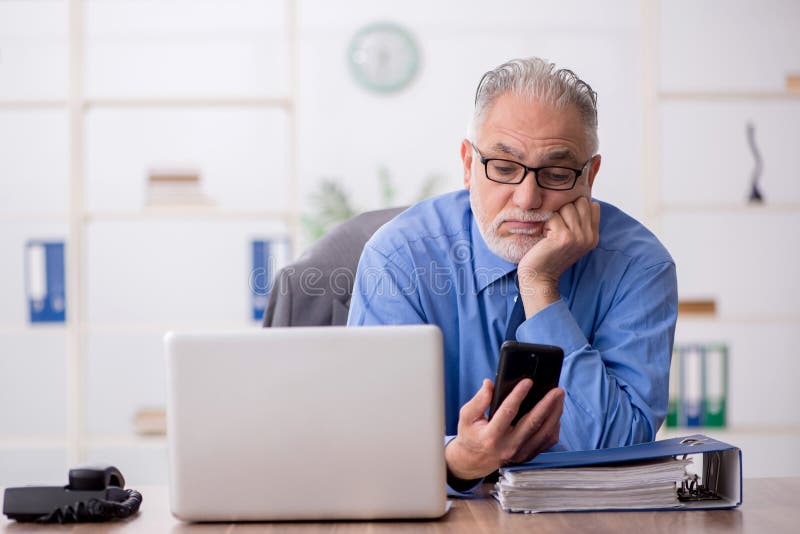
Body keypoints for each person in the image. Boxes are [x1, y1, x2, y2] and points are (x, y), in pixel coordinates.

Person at [347, 57, 678, 492]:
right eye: (503, 168)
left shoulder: (639, 266)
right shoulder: (400, 259)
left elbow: (618, 452)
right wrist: (457, 461)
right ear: (468, 165)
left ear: (589, 177)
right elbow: (370, 448)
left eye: (557, 174)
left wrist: (540, 288)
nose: (527, 198)